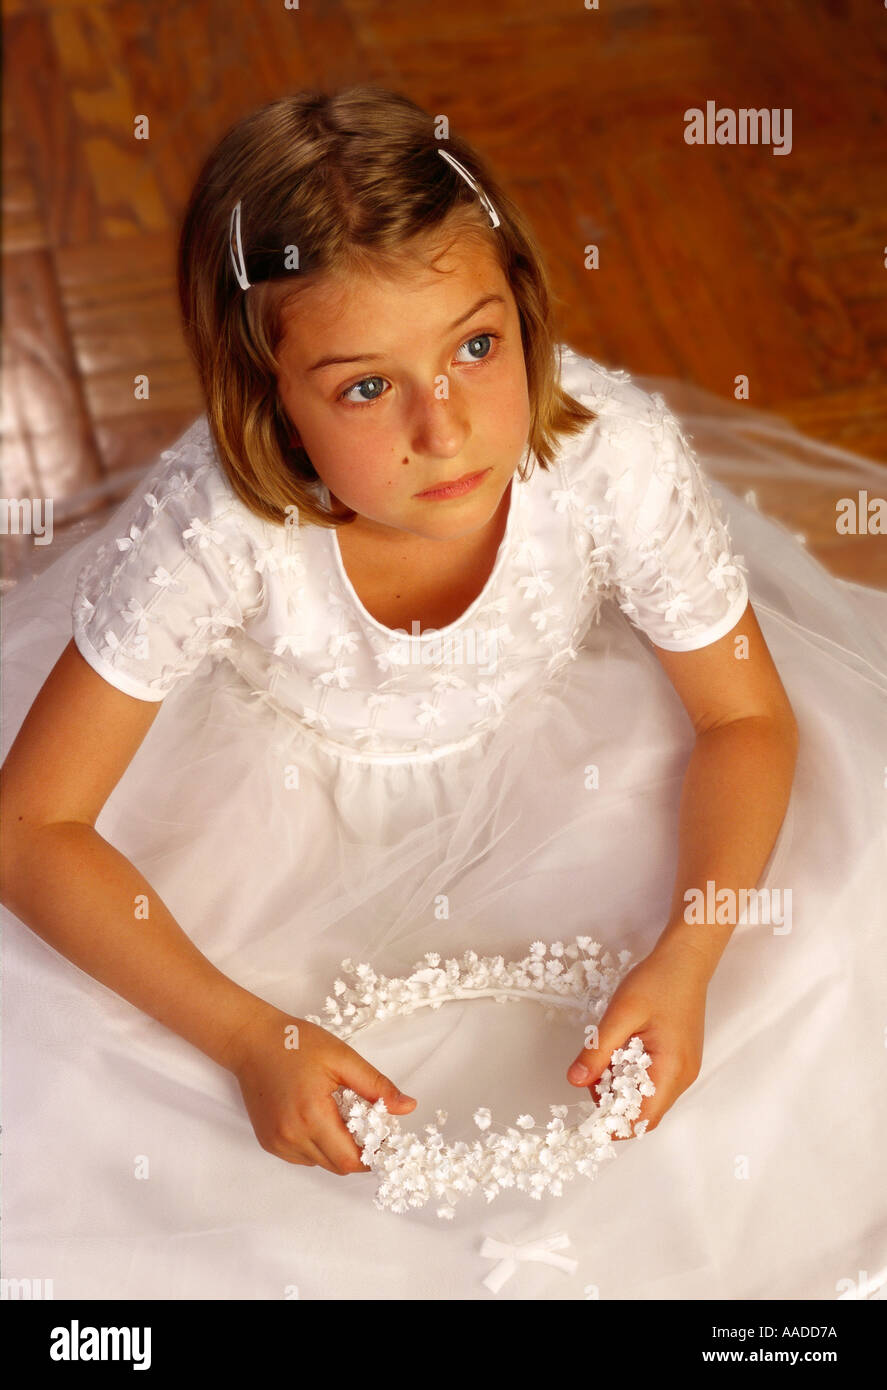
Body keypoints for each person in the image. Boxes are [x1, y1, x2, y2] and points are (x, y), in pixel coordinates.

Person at [1, 86, 885, 1301]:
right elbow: (29, 825)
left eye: (475, 347)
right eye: (366, 388)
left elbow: (742, 717)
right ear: (269, 397)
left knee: (824, 947)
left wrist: (689, 953)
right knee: (152, 1130)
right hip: (275, 823)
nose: (447, 426)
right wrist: (250, 1036)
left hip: (566, 781)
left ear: (522, 305)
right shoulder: (216, 530)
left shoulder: (607, 460)